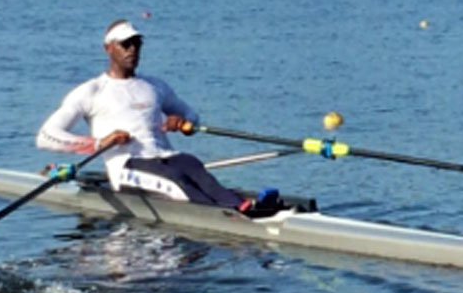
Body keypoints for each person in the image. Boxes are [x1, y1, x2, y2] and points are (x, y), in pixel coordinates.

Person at [36, 20, 286, 217]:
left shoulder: (154, 86)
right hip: (127, 166)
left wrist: (182, 122)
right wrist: (100, 143)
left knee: (193, 165)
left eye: (137, 43)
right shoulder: (91, 91)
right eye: (125, 44)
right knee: (177, 182)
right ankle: (227, 218)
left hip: (166, 157)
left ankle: (243, 207)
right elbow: (46, 137)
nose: (132, 49)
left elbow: (191, 115)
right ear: (108, 48)